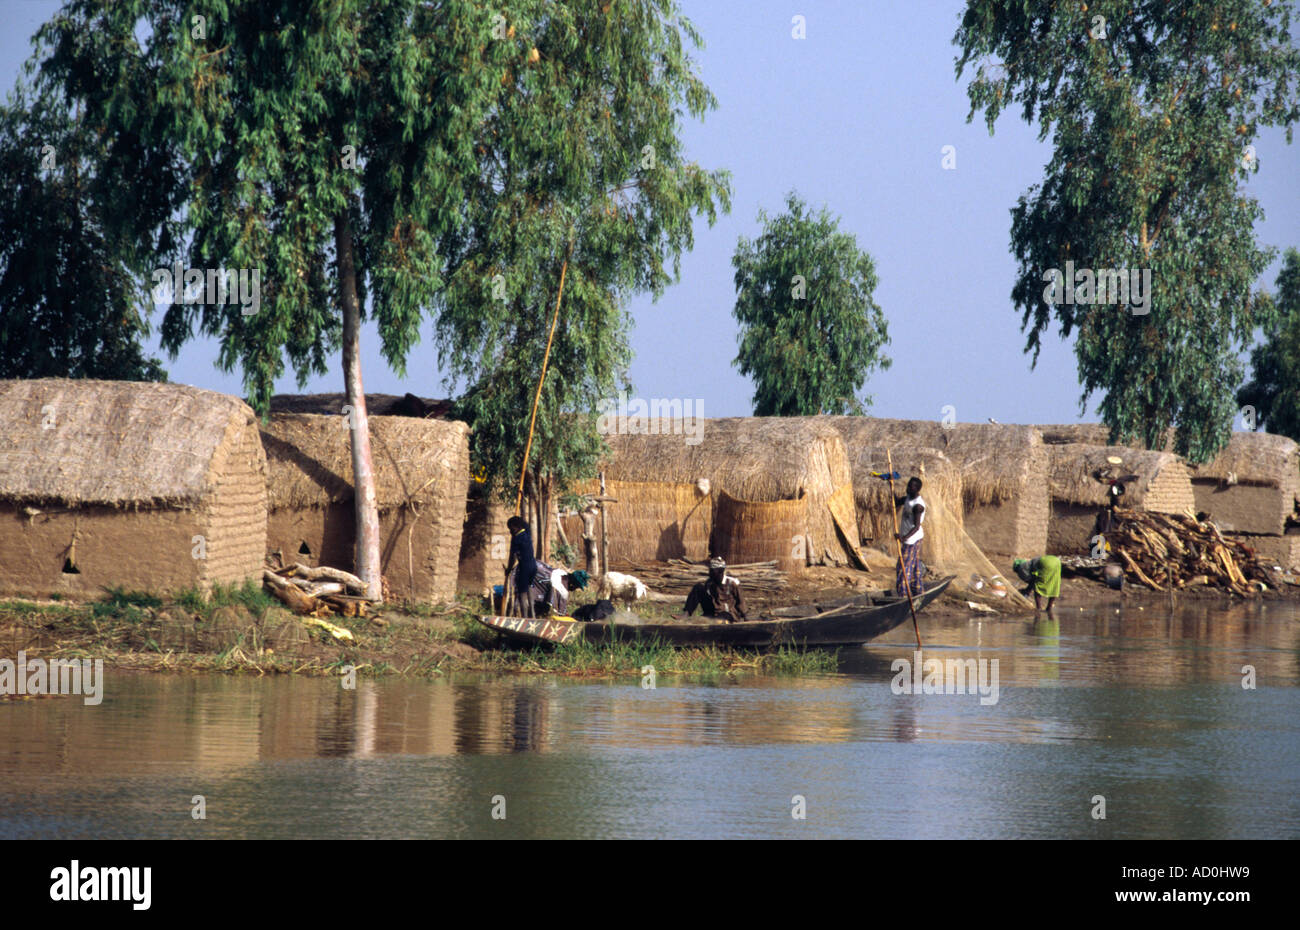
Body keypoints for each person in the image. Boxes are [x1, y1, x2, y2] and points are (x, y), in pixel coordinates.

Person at [684, 557, 747, 622]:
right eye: (710, 570)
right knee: (698, 587)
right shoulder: (709, 582)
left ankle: (712, 620)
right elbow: (706, 598)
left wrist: (745, 617)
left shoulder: (732, 583)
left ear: (720, 571)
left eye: (712, 571)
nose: (709, 573)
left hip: (727, 613)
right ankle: (686, 614)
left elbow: (741, 600)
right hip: (713, 611)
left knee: (720, 619)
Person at [895, 476, 926, 597]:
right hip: (909, 538)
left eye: (911, 487)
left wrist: (904, 538)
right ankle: (918, 591)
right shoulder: (908, 498)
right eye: (908, 485)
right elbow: (898, 502)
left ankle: (903, 595)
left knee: (903, 567)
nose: (908, 488)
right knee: (914, 566)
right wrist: (890, 483)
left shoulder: (918, 506)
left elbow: (917, 526)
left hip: (912, 539)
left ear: (917, 489)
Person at [503, 516, 537, 616]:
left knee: (522, 593)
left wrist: (508, 569)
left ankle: (525, 617)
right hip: (533, 566)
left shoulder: (516, 539)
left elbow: (512, 557)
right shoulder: (527, 533)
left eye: (511, 528)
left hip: (525, 568)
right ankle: (533, 615)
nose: (510, 531)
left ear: (516, 526)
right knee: (529, 587)